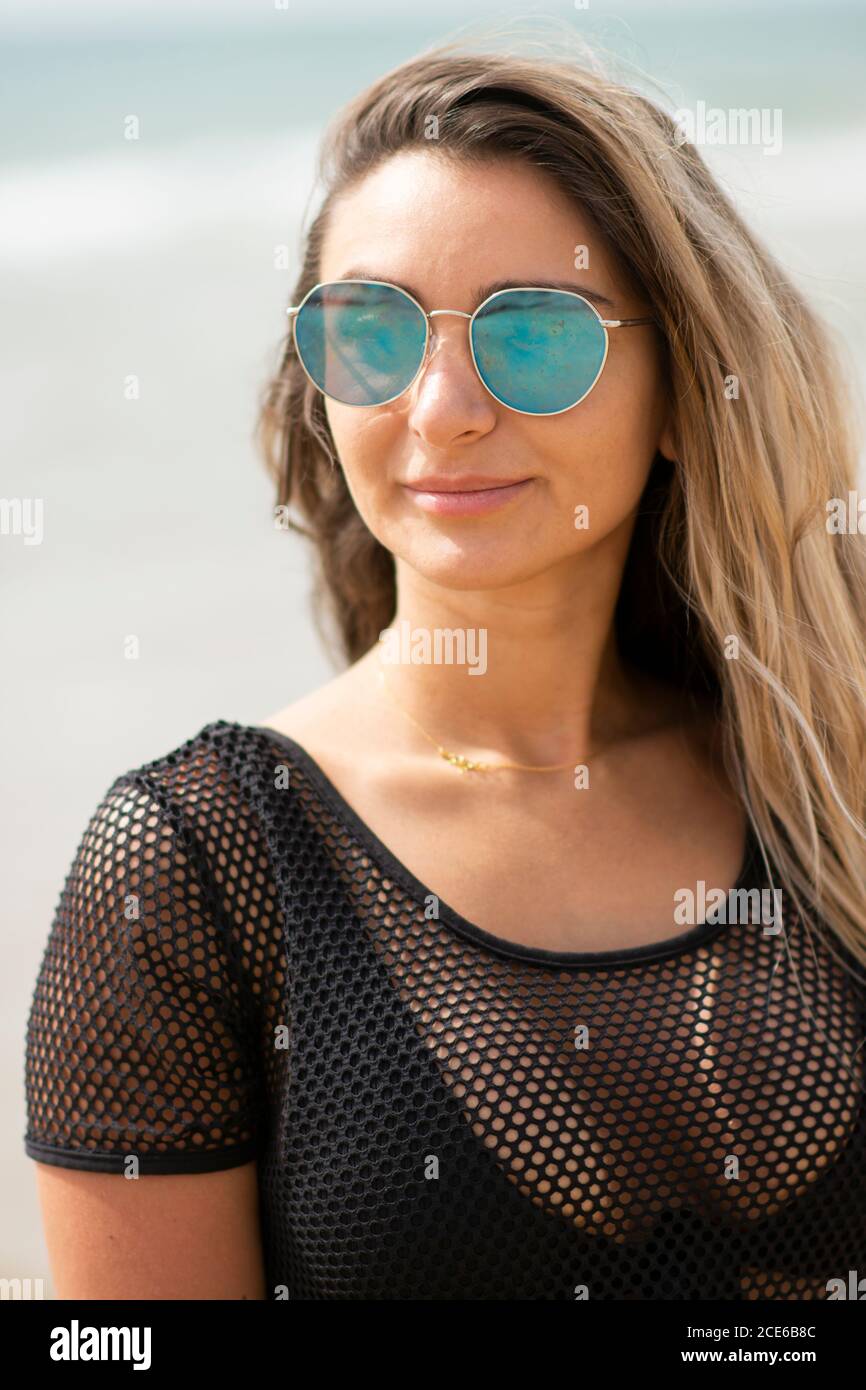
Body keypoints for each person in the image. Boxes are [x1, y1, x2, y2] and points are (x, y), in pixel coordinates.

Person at [24, 40, 866, 1301]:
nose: (441, 406)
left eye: (534, 331)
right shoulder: (193, 867)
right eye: (369, 330)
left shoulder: (829, 779)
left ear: (687, 388)